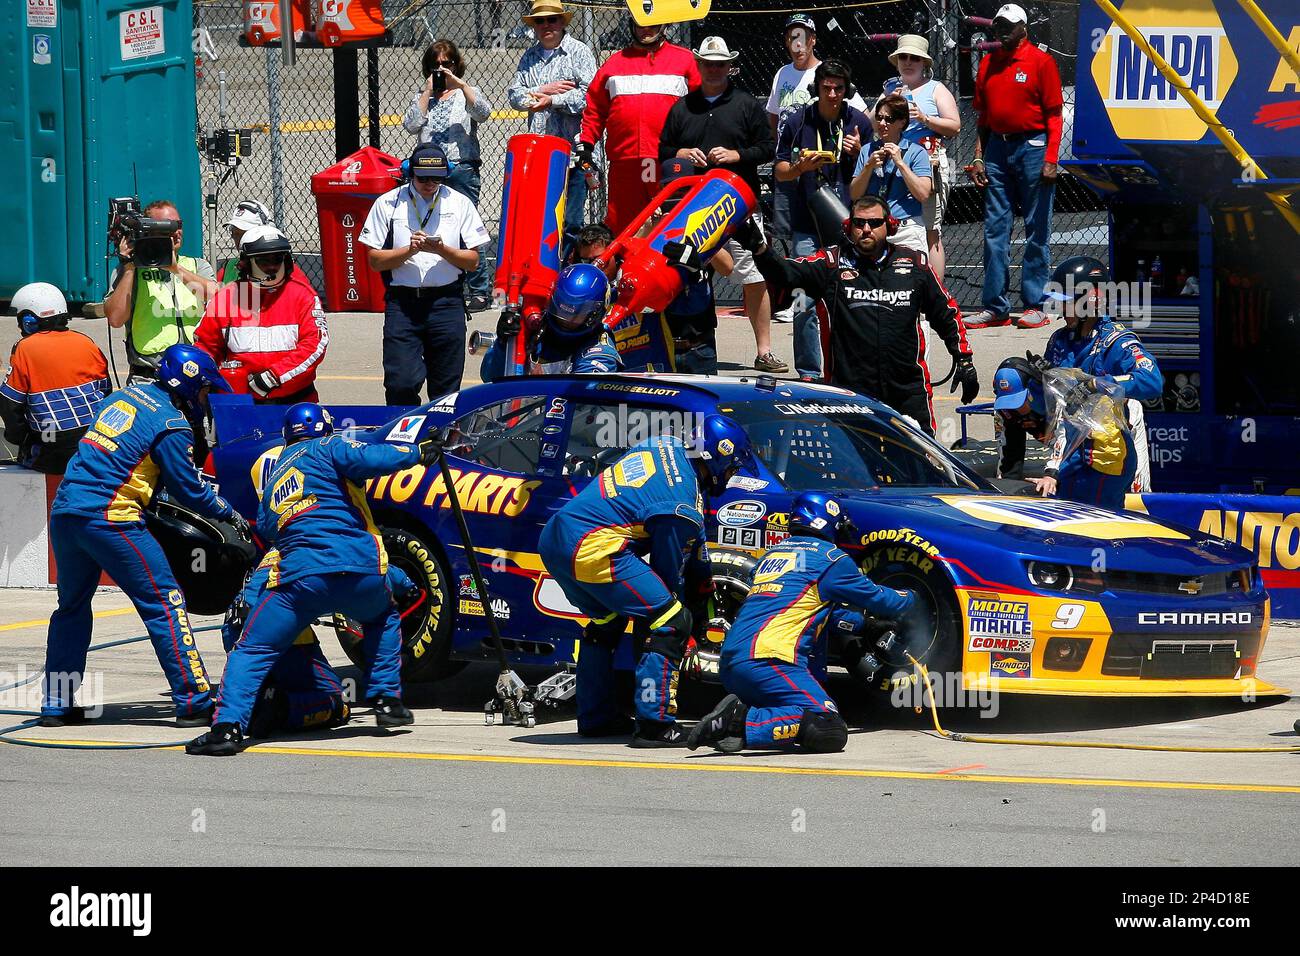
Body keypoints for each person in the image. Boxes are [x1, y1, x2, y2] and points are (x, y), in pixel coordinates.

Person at [187, 403, 441, 756]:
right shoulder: (329, 446)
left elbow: (267, 528)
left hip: (300, 579)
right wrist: (419, 453)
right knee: (383, 617)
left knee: (252, 650)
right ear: (324, 428)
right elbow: (374, 458)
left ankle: (228, 729)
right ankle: (386, 702)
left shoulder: (274, 476)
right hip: (359, 572)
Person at [41, 344, 248, 728]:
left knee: (71, 608)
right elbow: (188, 489)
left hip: (66, 512)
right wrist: (229, 513)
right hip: (111, 518)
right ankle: (194, 699)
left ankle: (56, 703)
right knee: (165, 602)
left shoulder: (123, 396)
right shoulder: (172, 424)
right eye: (204, 390)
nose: (206, 399)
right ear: (188, 387)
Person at [538, 417, 752, 748]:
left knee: (604, 625)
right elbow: (670, 578)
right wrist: (688, 626)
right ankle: (655, 724)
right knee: (669, 620)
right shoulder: (680, 503)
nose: (732, 475)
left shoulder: (664, 445)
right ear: (718, 457)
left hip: (555, 539)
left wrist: (701, 583)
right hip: (591, 547)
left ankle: (596, 718)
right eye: (732, 467)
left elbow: (693, 546)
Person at [689, 492, 914, 754]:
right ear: (828, 523)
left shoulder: (772, 556)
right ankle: (739, 721)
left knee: (797, 712)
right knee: (827, 727)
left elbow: (813, 611)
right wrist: (912, 598)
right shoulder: (831, 559)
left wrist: (865, 626)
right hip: (769, 661)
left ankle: (742, 722)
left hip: (732, 662)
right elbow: (882, 600)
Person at [746, 195, 978, 435]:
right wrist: (759, 248)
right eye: (859, 223)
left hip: (907, 392)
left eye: (875, 223)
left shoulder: (915, 263)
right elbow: (786, 273)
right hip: (850, 394)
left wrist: (964, 359)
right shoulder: (830, 263)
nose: (866, 229)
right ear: (849, 226)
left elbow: (946, 312)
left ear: (890, 225)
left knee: (921, 465)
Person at [659, 36, 786, 375]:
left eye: (720, 63)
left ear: (729, 66)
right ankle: (687, 345)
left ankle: (764, 350)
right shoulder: (682, 107)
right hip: (692, 207)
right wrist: (682, 154)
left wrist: (737, 155)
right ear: (698, 66)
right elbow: (663, 152)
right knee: (688, 273)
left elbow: (768, 147)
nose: (714, 69)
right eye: (708, 63)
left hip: (739, 204)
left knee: (752, 274)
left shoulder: (745, 104)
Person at [996, 256, 1163, 508]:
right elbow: (1059, 405)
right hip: (1070, 430)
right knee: (1010, 386)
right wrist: (1045, 378)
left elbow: (1152, 381)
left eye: (1067, 303)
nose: (1061, 310)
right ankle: (1006, 482)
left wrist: (1098, 383)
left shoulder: (1117, 341)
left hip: (1117, 436)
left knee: (1131, 506)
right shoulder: (1059, 341)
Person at [360, 143, 490, 405]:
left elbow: (473, 261)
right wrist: (409, 250)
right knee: (401, 382)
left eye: (437, 178)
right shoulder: (388, 203)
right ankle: (400, 439)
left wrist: (443, 250)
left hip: (446, 302)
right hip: (403, 304)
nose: (430, 183)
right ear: (410, 174)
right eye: (423, 178)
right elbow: (374, 261)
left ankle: (439, 442)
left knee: (446, 388)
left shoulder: (460, 203)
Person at [966, 3, 1064, 331]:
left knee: (1038, 227)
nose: (1001, 30)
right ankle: (994, 307)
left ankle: (1035, 304)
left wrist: (1051, 158)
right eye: (998, 25)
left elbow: (1053, 114)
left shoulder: (1041, 62)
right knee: (995, 228)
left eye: (1008, 25)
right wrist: (979, 154)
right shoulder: (989, 64)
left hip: (1033, 146)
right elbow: (983, 116)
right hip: (997, 147)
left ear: (1024, 27)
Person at [774, 59, 871, 382]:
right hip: (807, 222)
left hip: (847, 221)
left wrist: (858, 152)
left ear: (847, 90)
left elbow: (875, 171)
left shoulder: (858, 121)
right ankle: (809, 371)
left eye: (838, 88)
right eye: (826, 87)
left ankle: (847, 366)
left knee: (850, 295)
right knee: (804, 298)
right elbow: (779, 171)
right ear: (816, 88)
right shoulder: (798, 121)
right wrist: (801, 167)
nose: (832, 93)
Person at [578, 15, 700, 234]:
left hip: (666, 160)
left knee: (671, 222)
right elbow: (595, 109)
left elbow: (702, 108)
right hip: (626, 162)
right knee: (624, 224)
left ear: (664, 24)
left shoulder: (685, 60)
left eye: (652, 24)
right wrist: (586, 145)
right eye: (640, 24)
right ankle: (625, 267)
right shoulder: (614, 63)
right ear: (631, 25)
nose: (646, 29)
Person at [403, 39, 495, 311]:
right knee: (430, 227)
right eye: (436, 64)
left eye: (447, 64)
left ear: (456, 65)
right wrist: (427, 91)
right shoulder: (423, 98)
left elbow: (484, 113)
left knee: (467, 230)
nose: (441, 69)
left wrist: (461, 85)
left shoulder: (467, 92)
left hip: (460, 168)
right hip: (428, 171)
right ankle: (440, 283)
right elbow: (410, 125)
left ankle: (479, 290)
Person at [195, 226, 329, 403]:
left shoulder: (303, 295)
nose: (272, 266)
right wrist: (201, 378)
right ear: (245, 263)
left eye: (278, 259)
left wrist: (273, 377)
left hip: (294, 402)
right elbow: (205, 346)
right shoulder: (227, 297)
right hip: (240, 403)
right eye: (263, 261)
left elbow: (315, 345)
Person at [508, 0, 598, 257]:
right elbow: (515, 97)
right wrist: (544, 90)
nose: (546, 25)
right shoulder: (529, 56)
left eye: (552, 20)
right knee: (543, 218)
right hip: (540, 154)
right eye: (540, 21)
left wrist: (553, 101)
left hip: (574, 152)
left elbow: (589, 95)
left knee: (572, 221)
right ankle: (544, 269)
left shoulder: (579, 52)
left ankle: (567, 271)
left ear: (562, 22)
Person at [103, 199, 218, 381]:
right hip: (151, 376)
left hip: (195, 372)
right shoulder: (129, 271)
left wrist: (175, 269)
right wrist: (130, 267)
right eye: (168, 227)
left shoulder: (196, 265)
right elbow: (115, 319)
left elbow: (217, 298)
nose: (176, 232)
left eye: (178, 224)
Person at [1, 282, 110, 473]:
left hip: (53, 446)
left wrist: (19, 438)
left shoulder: (25, 348)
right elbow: (105, 390)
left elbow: (9, 403)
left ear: (32, 320)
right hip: (94, 440)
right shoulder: (86, 342)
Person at [883, 35, 961, 279]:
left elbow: (955, 126)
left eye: (914, 58)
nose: (908, 62)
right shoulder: (888, 88)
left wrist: (925, 119)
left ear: (924, 63)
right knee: (893, 226)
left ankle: (935, 296)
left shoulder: (935, 88)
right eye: (903, 57)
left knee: (930, 229)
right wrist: (886, 104)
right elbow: (875, 126)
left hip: (928, 160)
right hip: (894, 161)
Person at [479, 263, 620, 380]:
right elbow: (489, 376)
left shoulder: (600, 351)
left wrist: (539, 384)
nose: (564, 319)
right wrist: (503, 345)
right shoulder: (535, 324)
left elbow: (583, 401)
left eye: (576, 313)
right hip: (517, 410)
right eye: (561, 307)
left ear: (595, 313)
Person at [850, 93, 932, 253]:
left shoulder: (916, 152)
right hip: (873, 229)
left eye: (889, 119)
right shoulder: (868, 150)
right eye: (879, 118)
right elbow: (854, 194)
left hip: (906, 230)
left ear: (902, 122)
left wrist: (900, 162)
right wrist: (868, 167)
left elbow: (923, 194)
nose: (882, 124)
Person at [217, 199, 273, 284]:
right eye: (235, 234)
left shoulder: (281, 268)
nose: (240, 240)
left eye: (245, 234)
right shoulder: (229, 268)